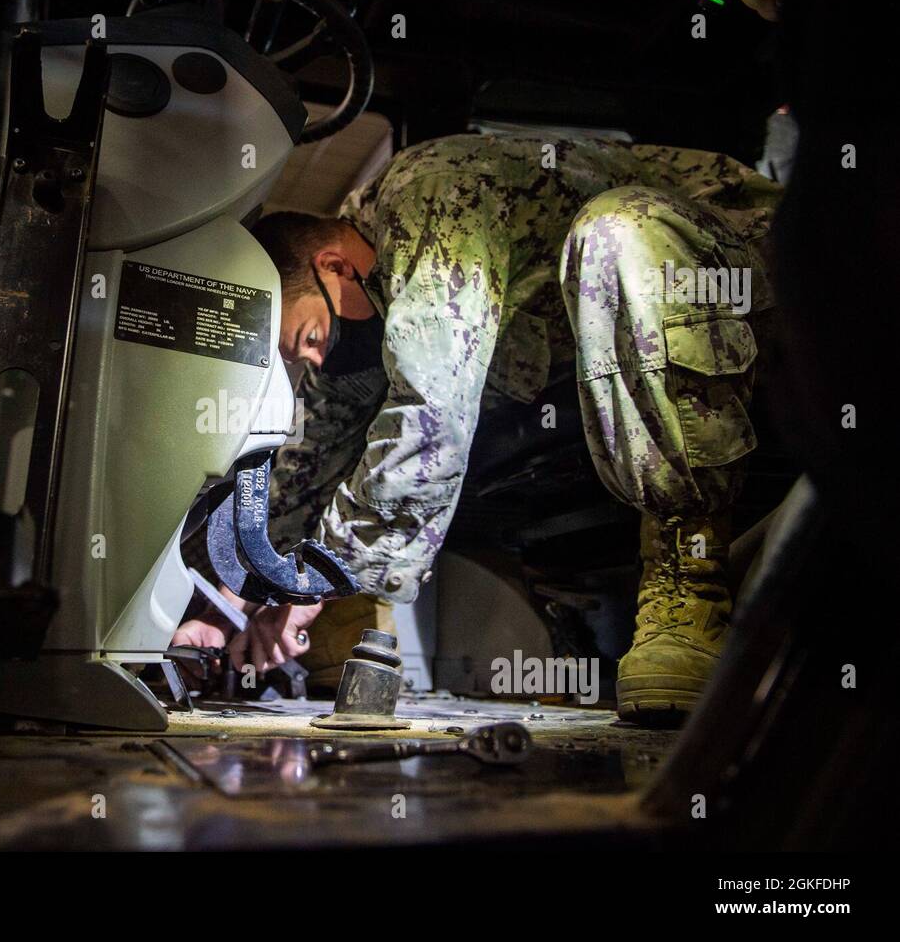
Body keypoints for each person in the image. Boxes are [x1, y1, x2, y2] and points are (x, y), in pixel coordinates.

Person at [173, 130, 781, 722]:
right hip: (613, 328)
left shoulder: (428, 198)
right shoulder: (358, 299)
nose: (313, 359)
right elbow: (308, 461)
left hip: (759, 259)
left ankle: (687, 587)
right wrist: (230, 600)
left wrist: (320, 580)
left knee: (619, 229)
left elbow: (429, 413)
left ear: (334, 265)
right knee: (356, 406)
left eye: (309, 338)